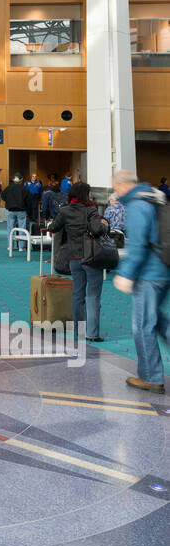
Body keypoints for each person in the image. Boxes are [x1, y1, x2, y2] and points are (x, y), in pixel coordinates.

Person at [112, 168, 170, 394]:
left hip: (148, 275)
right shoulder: (154, 197)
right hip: (164, 269)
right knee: (156, 321)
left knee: (143, 327)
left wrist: (126, 274)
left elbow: (137, 245)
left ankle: (151, 377)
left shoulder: (137, 205)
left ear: (121, 186)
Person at [48, 180, 109, 346]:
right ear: (85, 194)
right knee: (93, 295)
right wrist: (104, 225)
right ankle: (92, 334)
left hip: (74, 258)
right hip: (92, 257)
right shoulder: (91, 210)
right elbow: (97, 230)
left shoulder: (65, 210)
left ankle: (78, 330)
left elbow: (53, 227)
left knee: (77, 294)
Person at [1, 174, 28, 251]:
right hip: (21, 211)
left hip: (11, 210)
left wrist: (9, 201)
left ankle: (10, 246)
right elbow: (28, 200)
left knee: (10, 228)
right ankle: (21, 247)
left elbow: (2, 196)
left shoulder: (8, 188)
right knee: (22, 228)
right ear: (21, 180)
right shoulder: (24, 189)